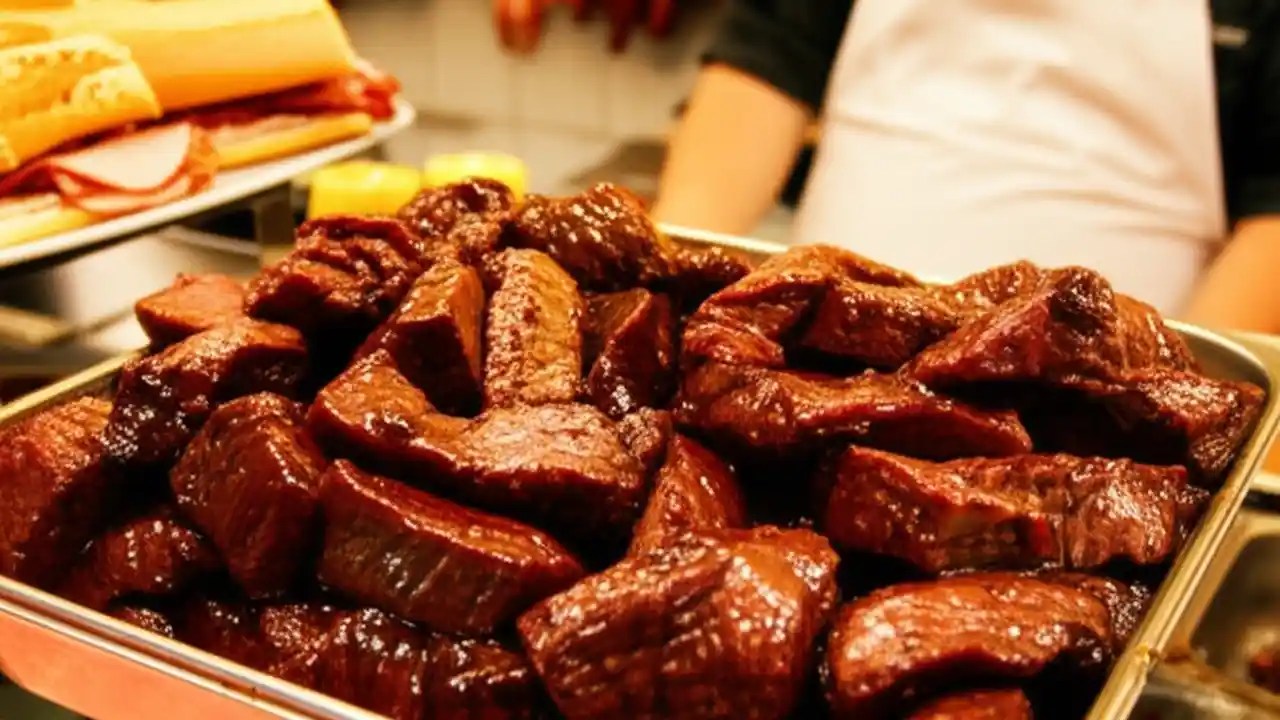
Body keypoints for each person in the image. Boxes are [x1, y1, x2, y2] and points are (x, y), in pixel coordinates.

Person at [653, 1, 1280, 327]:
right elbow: (765, 65)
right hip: (813, 351)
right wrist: (666, 291)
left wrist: (1167, 420)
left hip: (1100, 413)